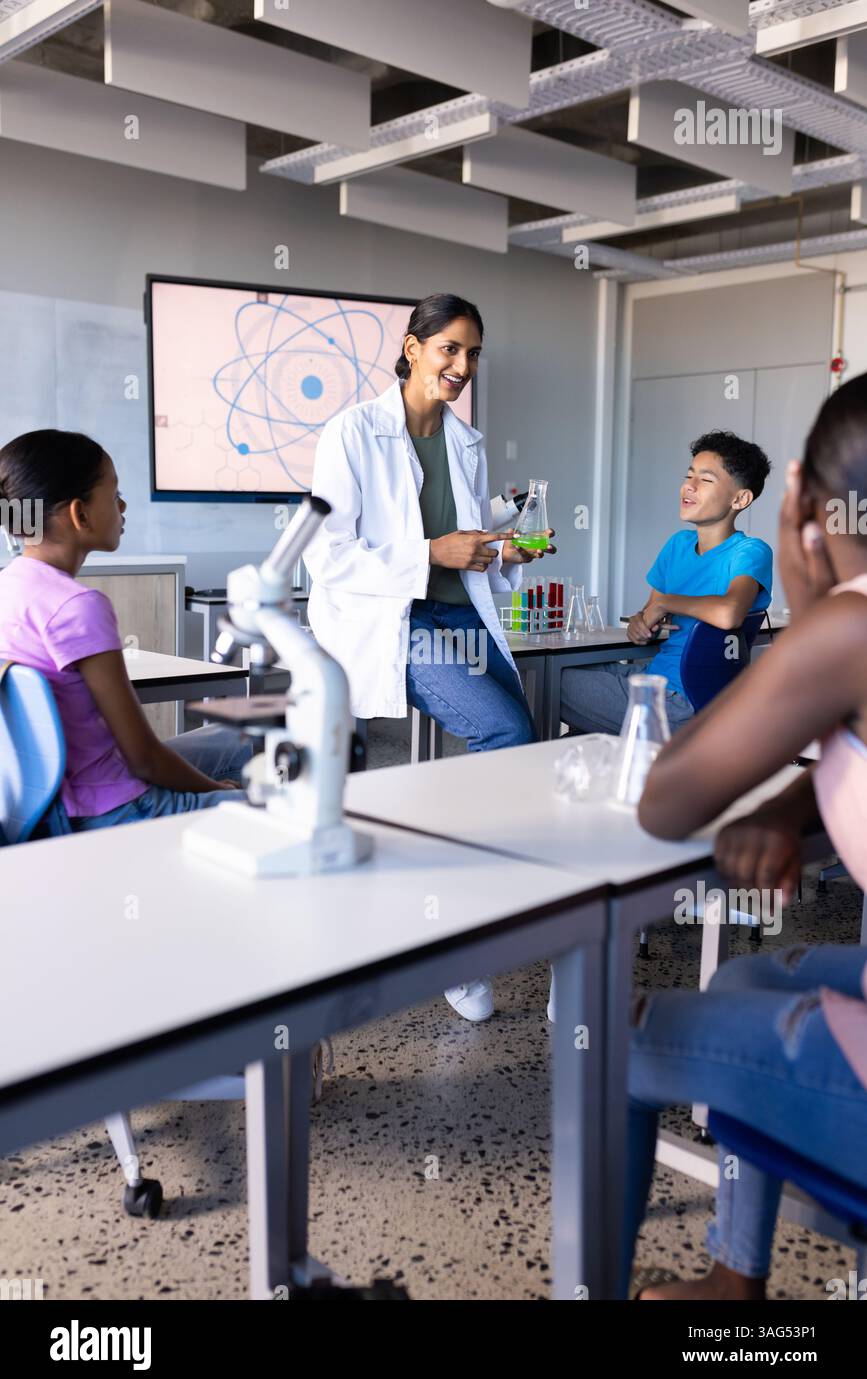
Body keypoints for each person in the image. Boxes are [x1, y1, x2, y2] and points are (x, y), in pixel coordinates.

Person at [622, 375, 867, 1301]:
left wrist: (805, 598)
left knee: (621, 1039)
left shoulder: (847, 624)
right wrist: (782, 811)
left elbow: (663, 806)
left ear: (800, 496)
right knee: (741, 977)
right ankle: (735, 1284)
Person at [304, 292, 554, 1021]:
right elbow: (329, 556)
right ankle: (453, 937)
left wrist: (504, 549)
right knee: (505, 736)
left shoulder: (465, 441)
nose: (461, 365)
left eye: (472, 353)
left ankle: (472, 901)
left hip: (456, 609)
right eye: (448, 348)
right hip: (393, 618)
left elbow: (466, 544)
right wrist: (429, 553)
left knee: (519, 742)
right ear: (412, 348)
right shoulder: (351, 432)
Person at [0, 430, 249, 831]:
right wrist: (212, 789)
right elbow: (144, 758)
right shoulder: (78, 607)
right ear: (80, 514)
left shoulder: (8, 585)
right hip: (113, 809)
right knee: (284, 811)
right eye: (114, 494)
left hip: (46, 806)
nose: (123, 505)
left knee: (239, 737)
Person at [560, 430, 773, 736]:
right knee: (561, 673)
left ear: (740, 498)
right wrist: (640, 624)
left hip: (685, 701)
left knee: (548, 682)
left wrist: (665, 603)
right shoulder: (678, 545)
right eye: (690, 476)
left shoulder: (750, 552)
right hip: (655, 677)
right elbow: (647, 619)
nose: (689, 486)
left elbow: (729, 613)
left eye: (706, 480)